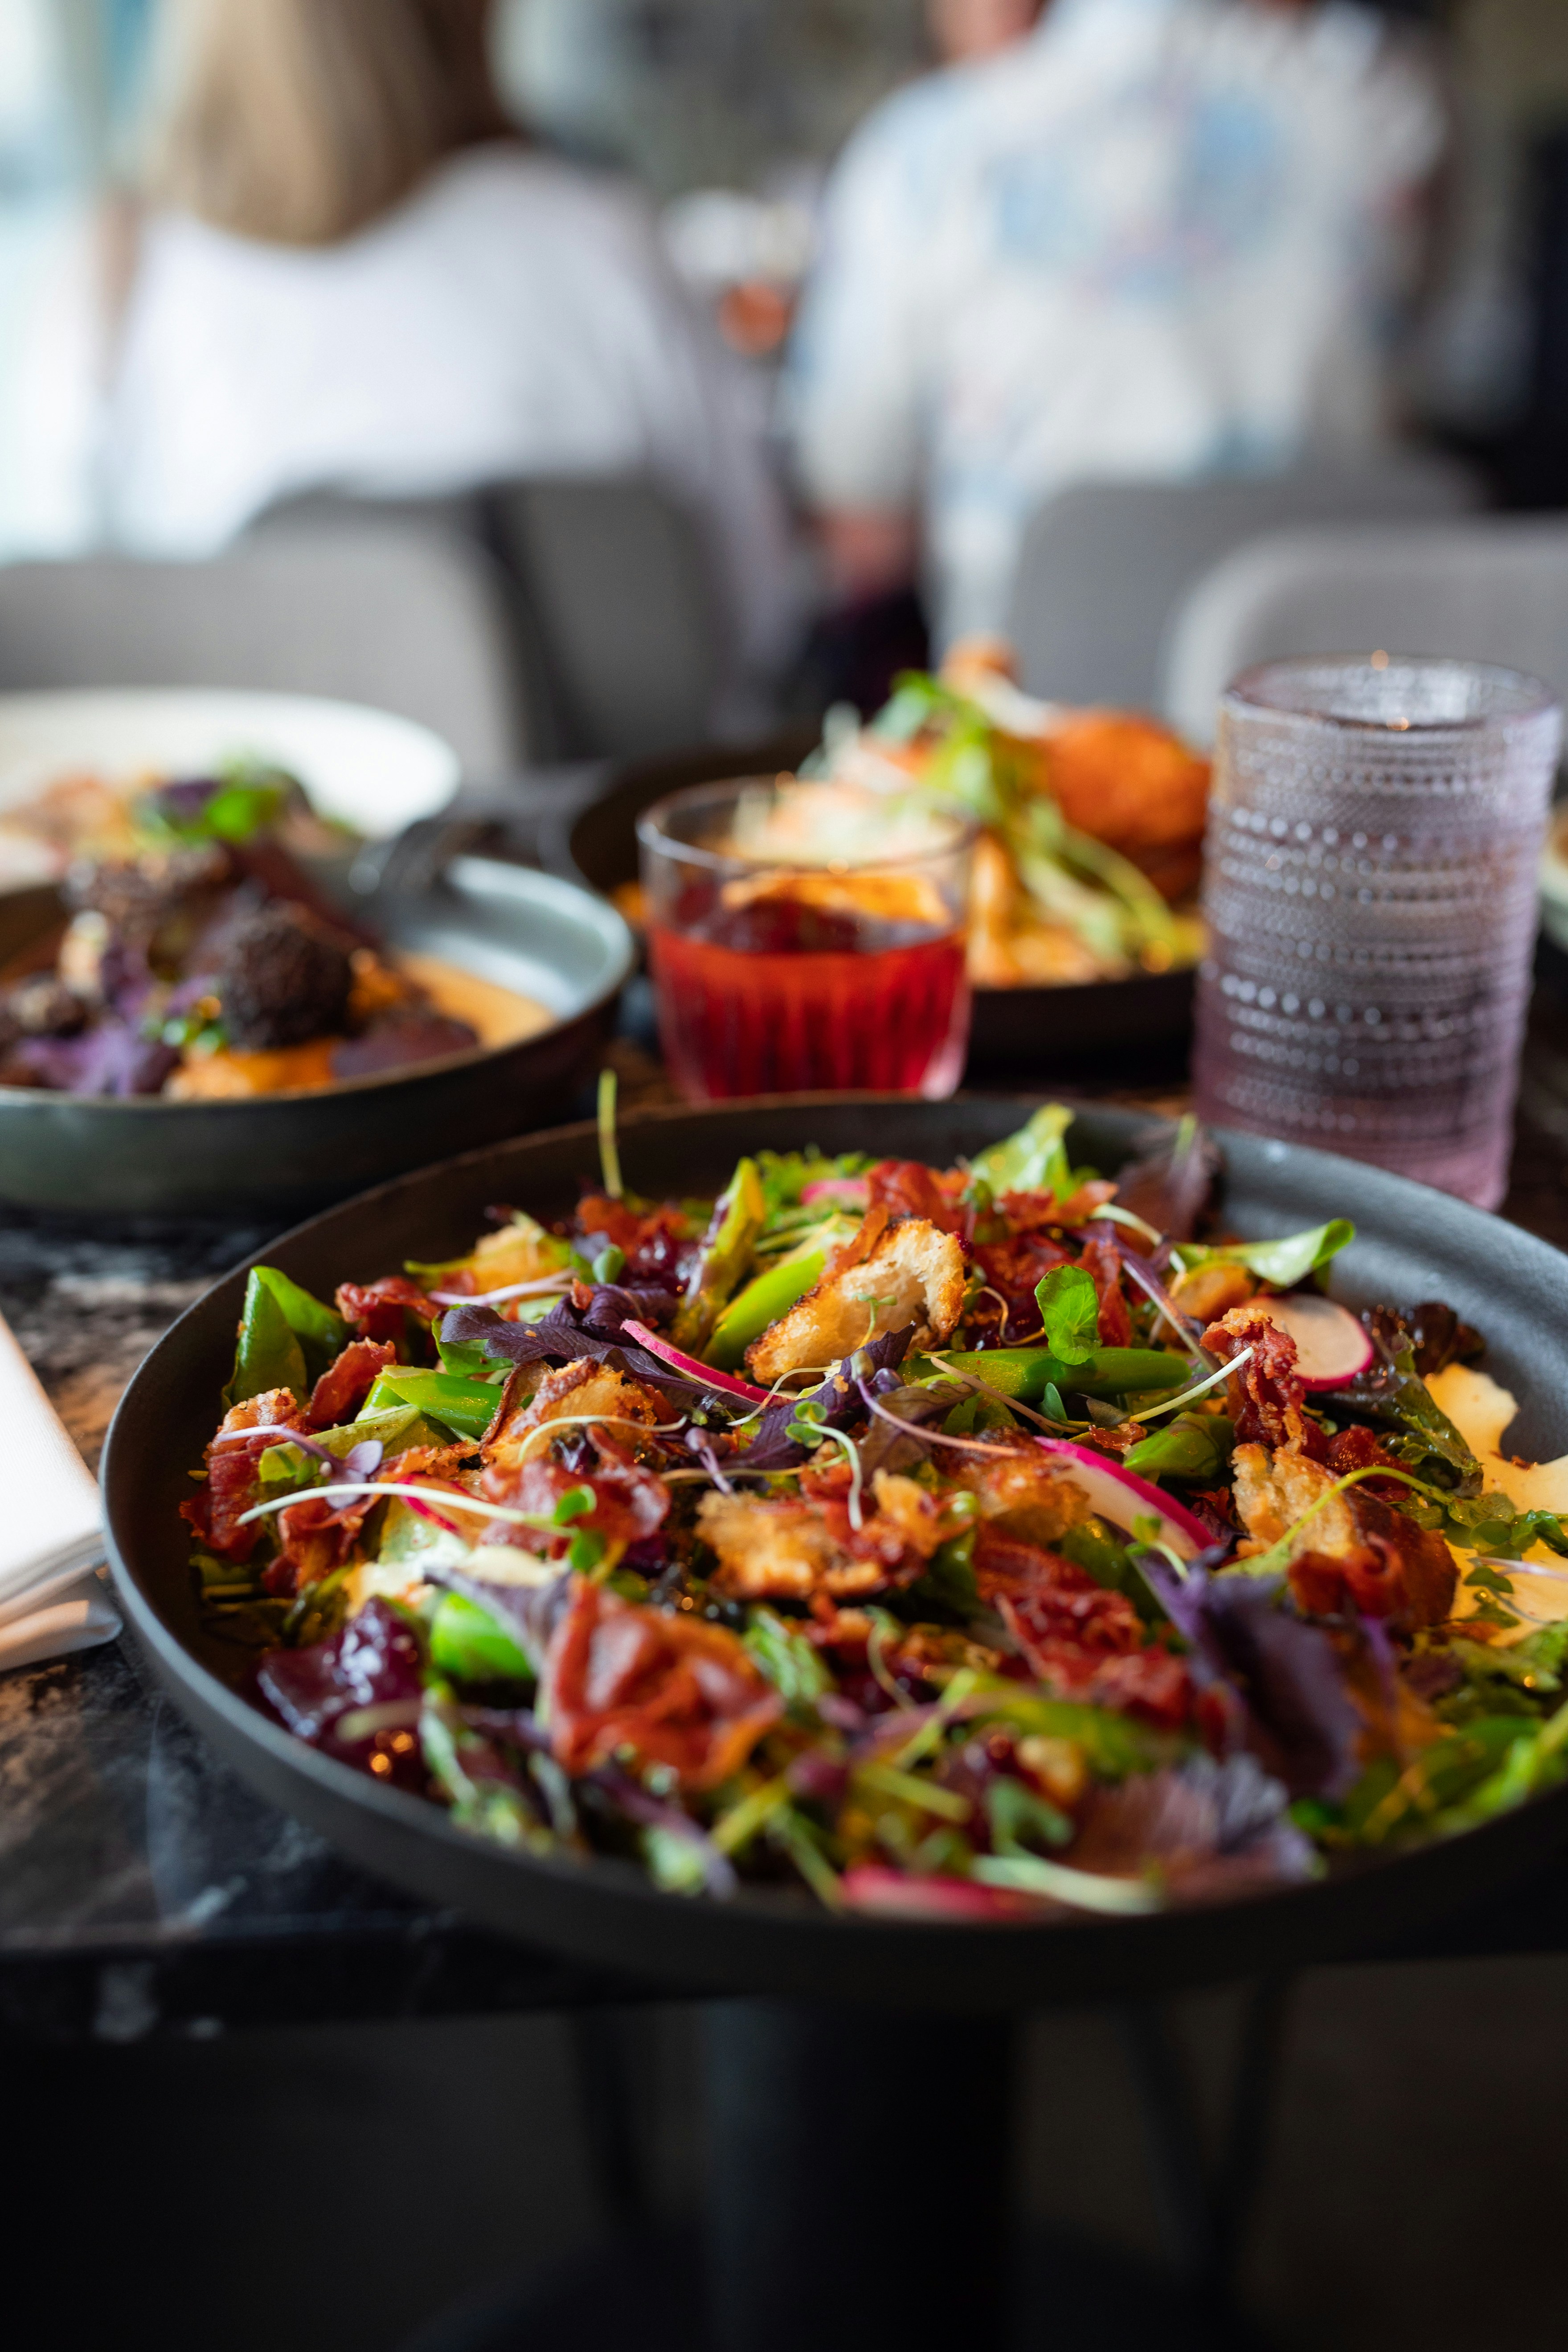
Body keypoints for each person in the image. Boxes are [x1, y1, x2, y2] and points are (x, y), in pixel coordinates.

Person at [30, 0, 797, 690]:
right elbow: (762, 605)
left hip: (260, 837)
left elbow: (72, 639)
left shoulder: (127, 282)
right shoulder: (606, 243)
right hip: (606, 823)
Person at [791, 0, 1448, 653]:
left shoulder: (925, 146)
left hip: (1032, 721)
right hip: (1332, 698)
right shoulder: (1394, 122)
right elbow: (1438, 379)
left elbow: (865, 526)